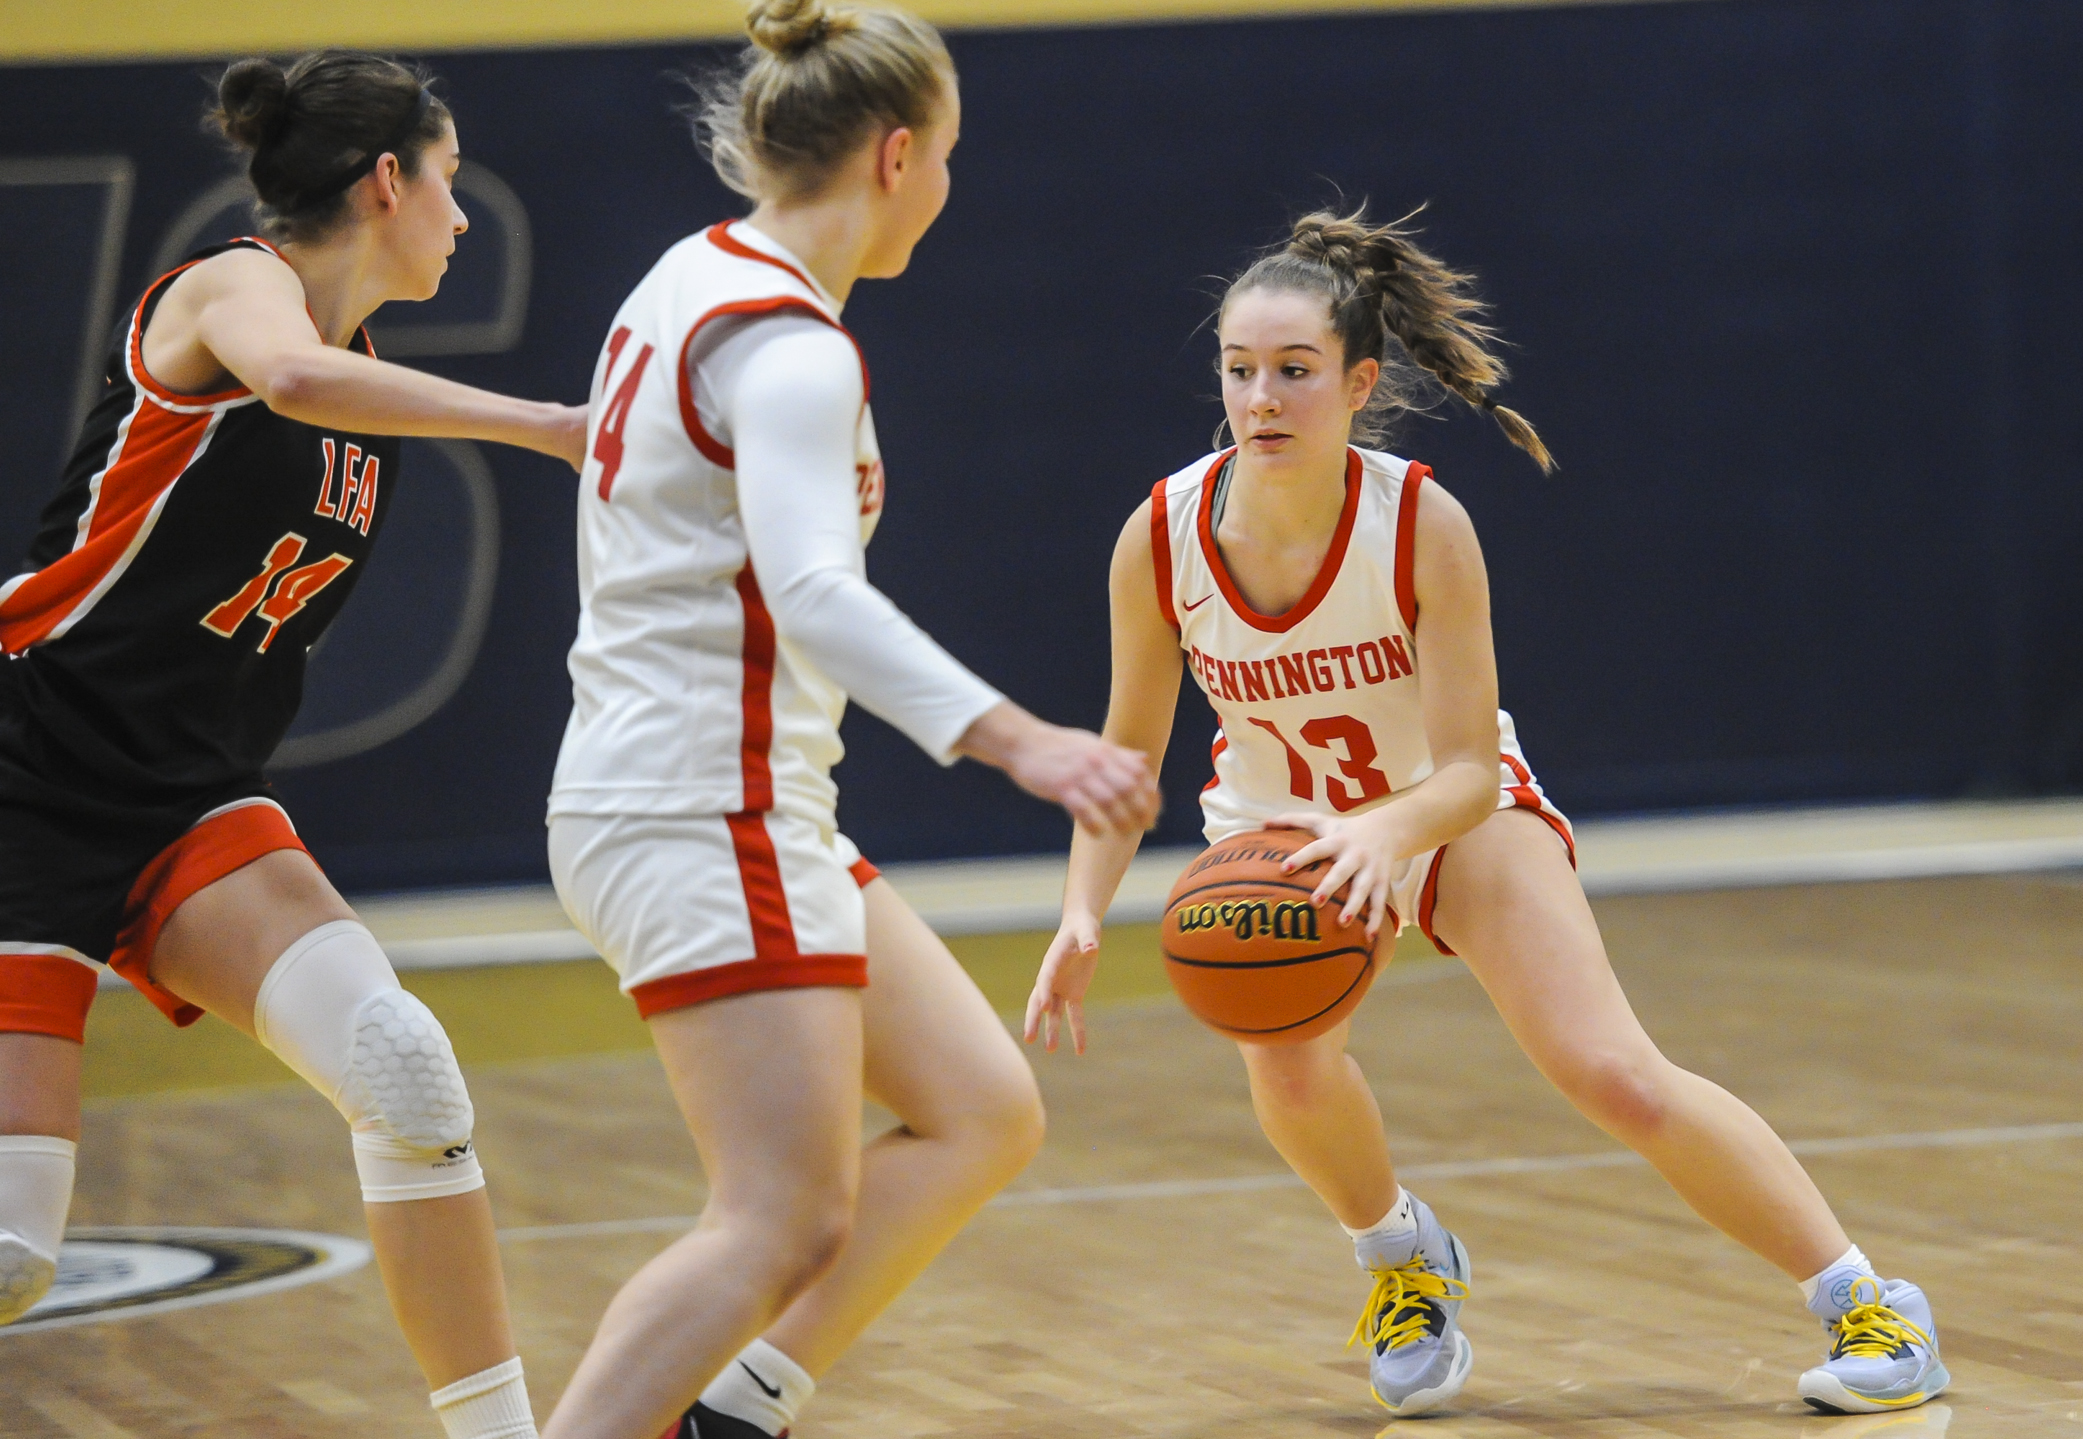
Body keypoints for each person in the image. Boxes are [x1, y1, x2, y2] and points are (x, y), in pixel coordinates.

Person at [1024, 205, 1947, 1419]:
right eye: (1239, 370)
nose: (1262, 398)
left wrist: (1389, 832)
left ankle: (1869, 1302)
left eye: (1294, 371)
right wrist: (1082, 910)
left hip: (1450, 816)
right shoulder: (1162, 534)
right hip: (1278, 830)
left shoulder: (1420, 522)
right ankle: (1403, 1254)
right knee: (1292, 1078)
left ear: (1357, 381)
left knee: (1610, 1071)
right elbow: (1126, 753)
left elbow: (1463, 765)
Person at [540, 4, 1159, 1437]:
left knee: (980, 1106)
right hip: (705, 803)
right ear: (895, 155)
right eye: (946, 154)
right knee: (775, 1217)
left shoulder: (689, 270)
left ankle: (734, 1408)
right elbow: (812, 587)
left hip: (715, 794)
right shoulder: (797, 351)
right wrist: (1023, 738)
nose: (948, 184)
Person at [0, 51, 584, 1439]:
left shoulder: (364, 380)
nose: (457, 214)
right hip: (21, 774)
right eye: (447, 181)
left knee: (400, 1064)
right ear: (387, 179)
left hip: (180, 805)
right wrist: (549, 426)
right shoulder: (231, 291)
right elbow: (290, 375)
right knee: (14, 1249)